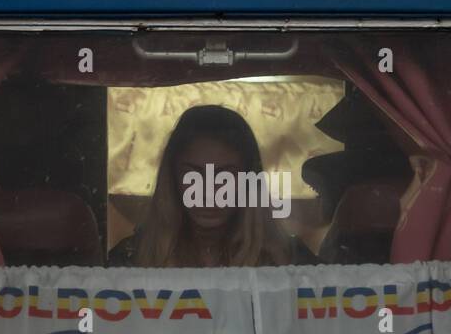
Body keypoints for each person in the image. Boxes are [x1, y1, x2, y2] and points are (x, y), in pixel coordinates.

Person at [109, 105, 315, 267]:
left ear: (249, 181)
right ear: (171, 178)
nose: (208, 192)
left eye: (225, 177)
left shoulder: (291, 261)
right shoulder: (130, 259)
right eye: (193, 176)